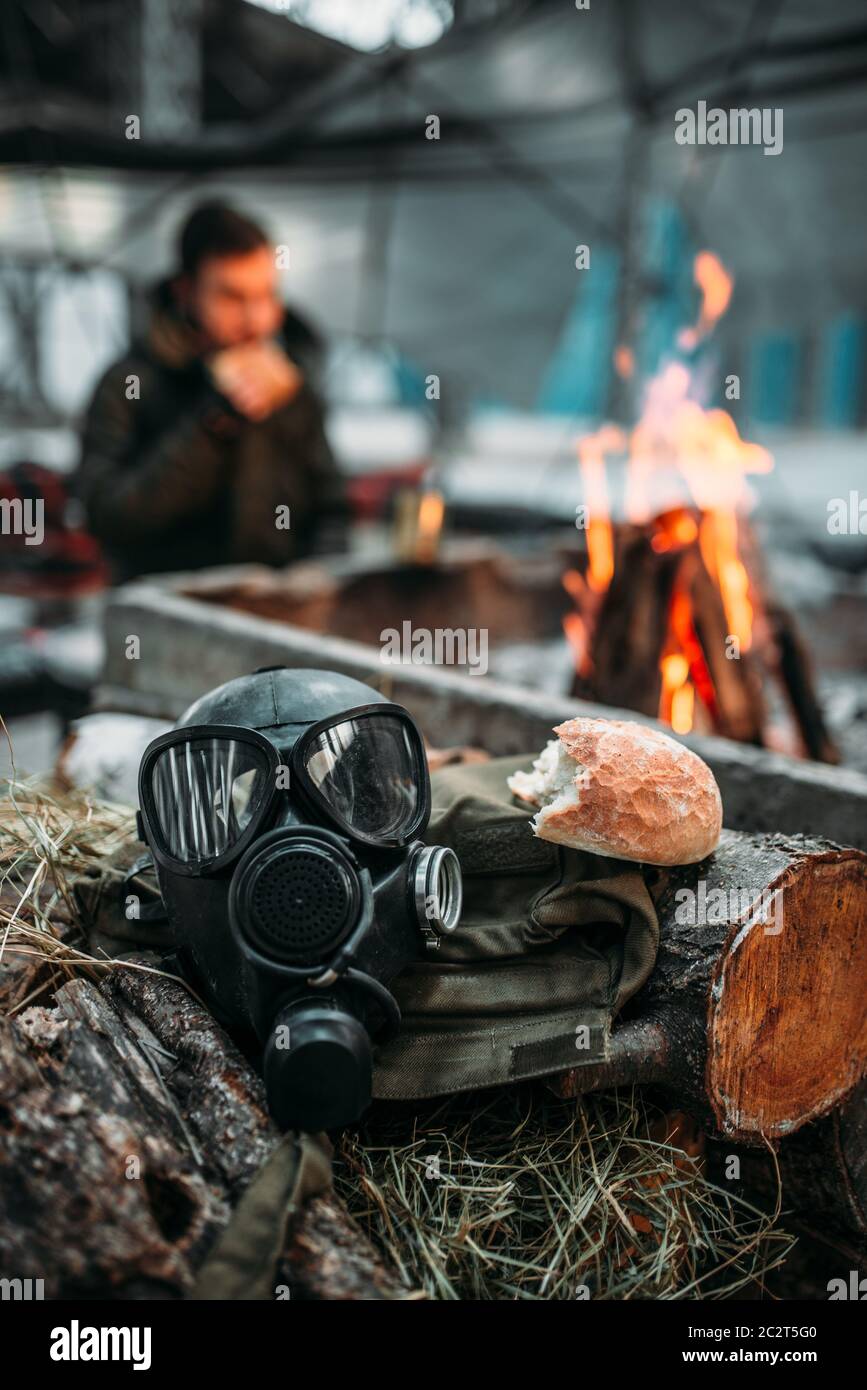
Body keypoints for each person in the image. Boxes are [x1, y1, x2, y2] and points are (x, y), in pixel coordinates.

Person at [75, 201, 346, 580]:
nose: (255, 321)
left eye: (266, 295)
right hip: (163, 618)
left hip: (272, 615)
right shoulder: (130, 386)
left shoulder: (291, 389)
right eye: (232, 297)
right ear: (185, 292)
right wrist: (213, 425)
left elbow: (332, 510)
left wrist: (312, 583)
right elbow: (109, 516)